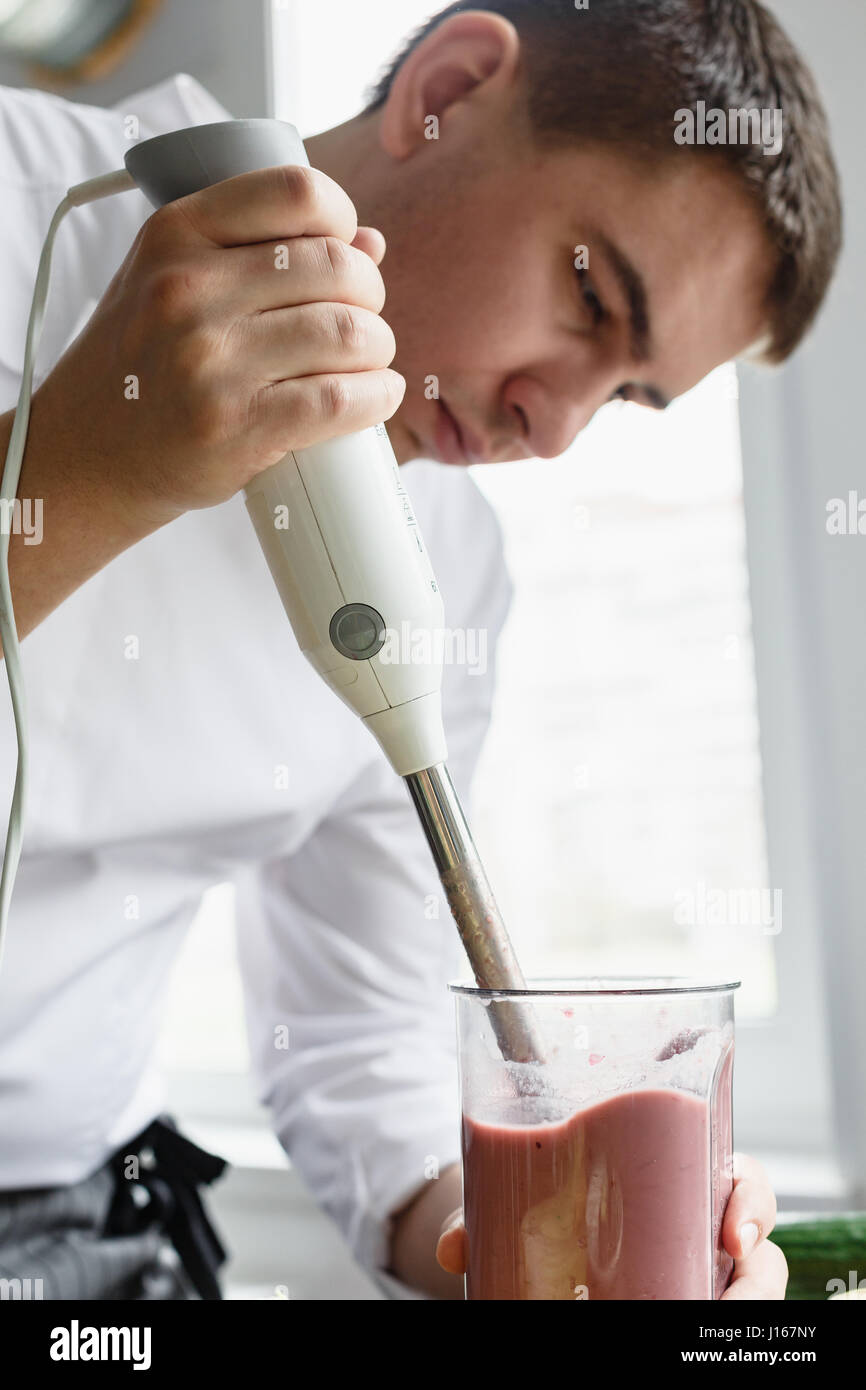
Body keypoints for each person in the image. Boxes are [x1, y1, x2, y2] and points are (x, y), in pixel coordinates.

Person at [0, 0, 840, 1300]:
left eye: (624, 392)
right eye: (585, 295)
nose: (550, 426)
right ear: (446, 88)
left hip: (81, 1239)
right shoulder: (20, 207)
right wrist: (89, 463)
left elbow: (360, 1050)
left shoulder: (452, 572)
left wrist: (549, 1232)